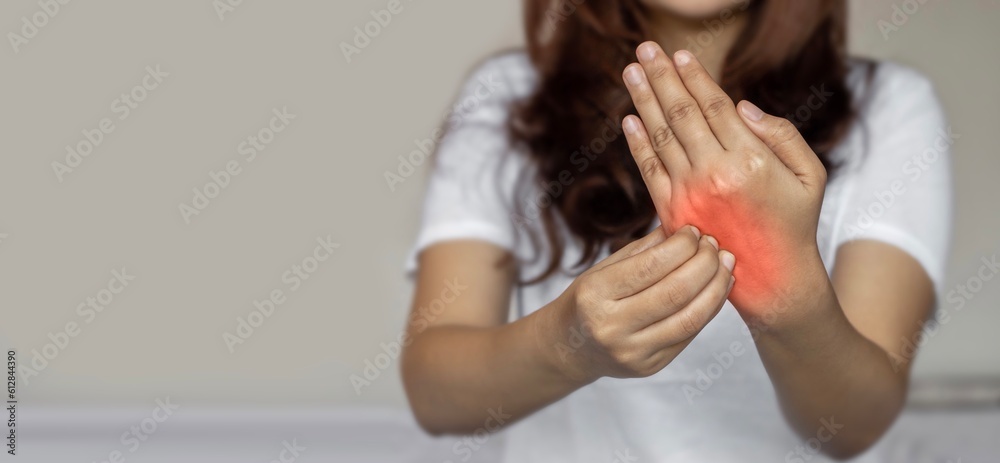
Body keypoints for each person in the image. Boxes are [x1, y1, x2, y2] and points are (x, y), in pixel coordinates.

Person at [401, 0, 952, 461]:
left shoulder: (891, 106)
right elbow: (435, 395)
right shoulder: (503, 96)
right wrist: (567, 345)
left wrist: (786, 288)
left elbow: (855, 425)